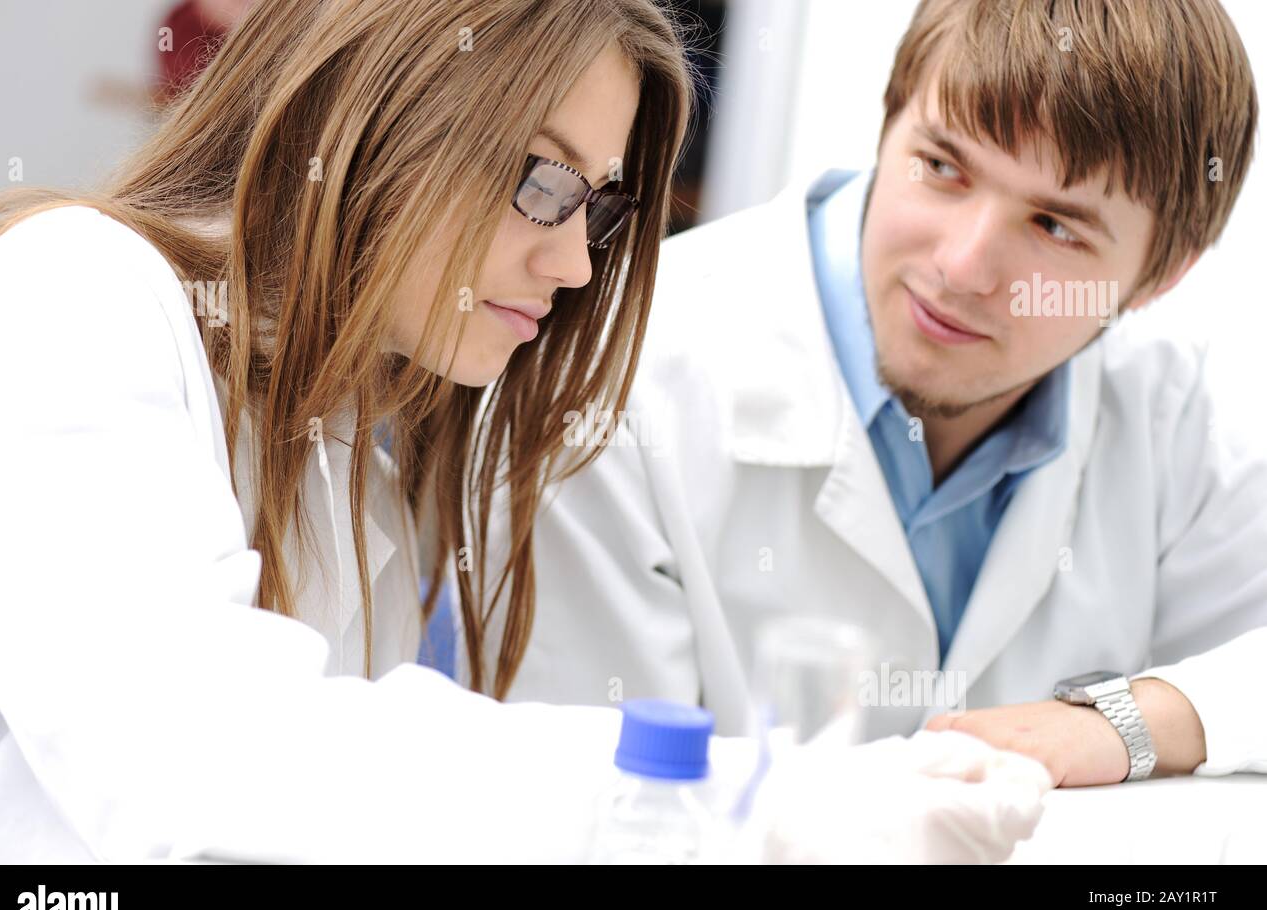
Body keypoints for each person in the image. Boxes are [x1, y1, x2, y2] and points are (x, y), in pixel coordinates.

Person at [0, 0, 735, 864]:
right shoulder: (70, 291)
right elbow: (200, 759)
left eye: (594, 206)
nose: (573, 264)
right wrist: (741, 799)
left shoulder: (361, 448)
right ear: (380, 112)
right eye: (545, 184)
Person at [483, 0, 1267, 787]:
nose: (962, 268)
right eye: (943, 167)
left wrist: (1138, 720)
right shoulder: (619, 379)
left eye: (1057, 227)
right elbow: (596, 805)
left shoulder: (1180, 412)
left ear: (1162, 276)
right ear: (888, 129)